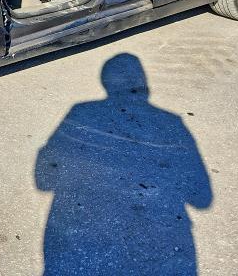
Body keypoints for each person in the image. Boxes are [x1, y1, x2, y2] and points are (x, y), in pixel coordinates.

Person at [35, 53, 212, 275]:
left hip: (80, 245)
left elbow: (44, 180)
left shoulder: (81, 112)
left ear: (106, 82)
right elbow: (202, 199)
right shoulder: (172, 123)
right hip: (159, 251)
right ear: (143, 83)